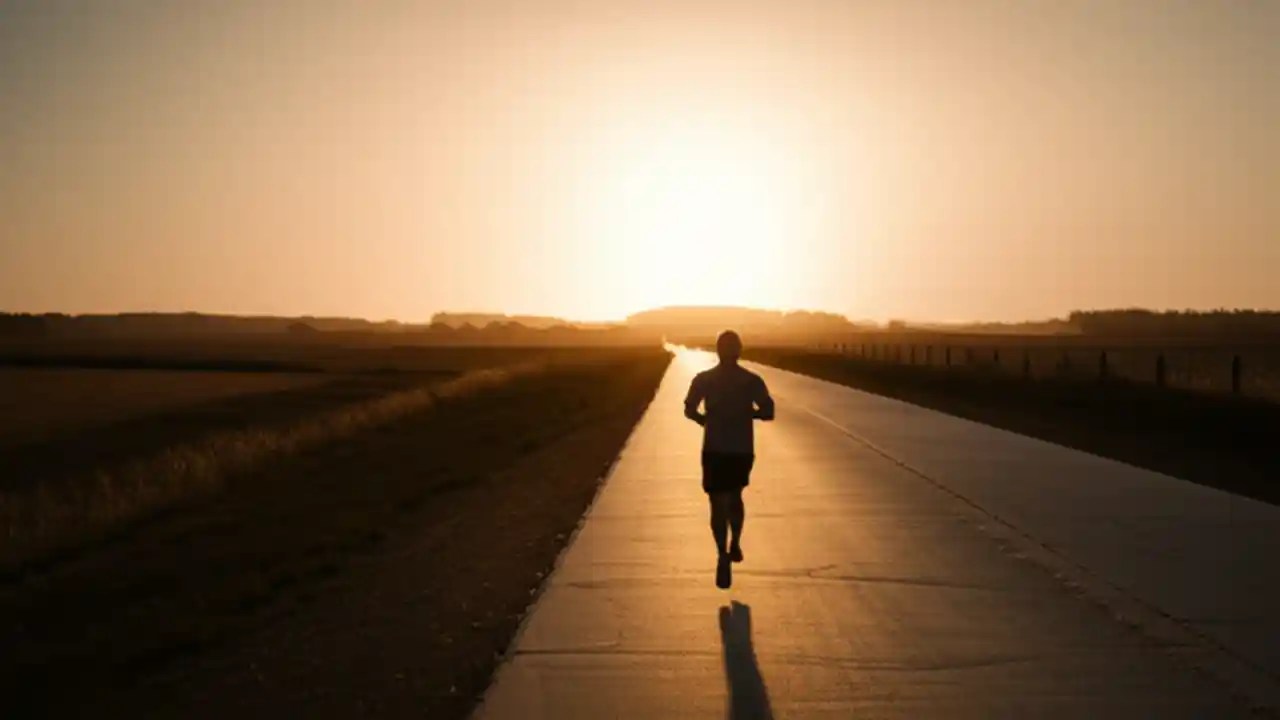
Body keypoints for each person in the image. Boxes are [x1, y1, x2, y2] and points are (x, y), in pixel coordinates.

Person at [684, 330, 775, 589]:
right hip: (741, 449)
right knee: (735, 496)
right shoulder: (751, 381)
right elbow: (769, 412)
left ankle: (721, 553)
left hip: (713, 448)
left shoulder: (704, 379)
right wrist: (748, 414)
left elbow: (689, 409)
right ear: (740, 351)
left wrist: (706, 420)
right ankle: (735, 541)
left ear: (717, 350)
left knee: (716, 502)